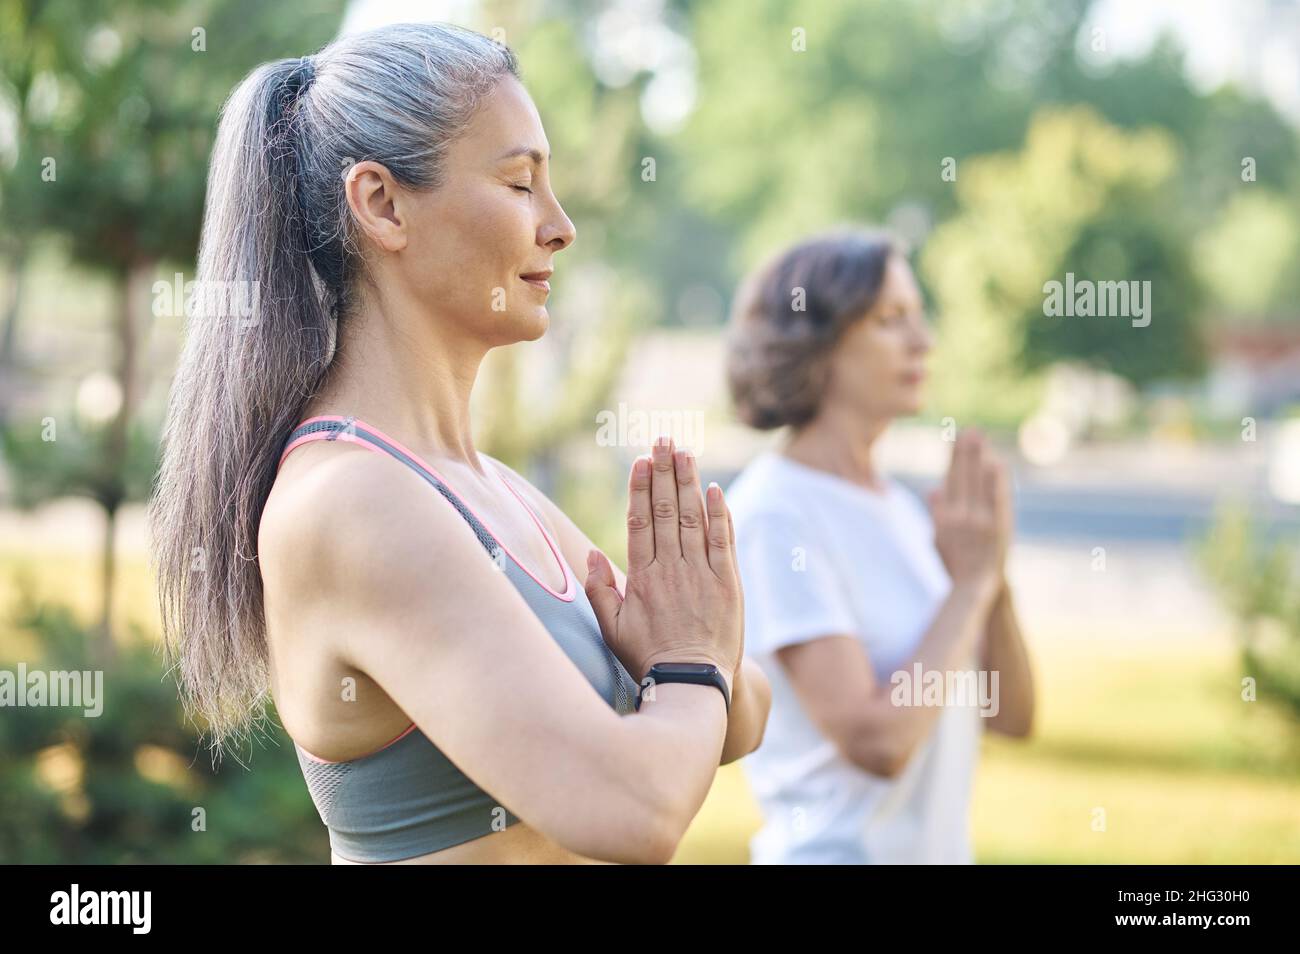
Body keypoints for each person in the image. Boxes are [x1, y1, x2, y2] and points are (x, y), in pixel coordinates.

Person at [149, 22, 769, 865]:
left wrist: (686, 664)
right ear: (382, 204)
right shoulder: (351, 502)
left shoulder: (498, 493)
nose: (560, 227)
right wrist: (690, 665)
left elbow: (747, 712)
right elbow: (634, 808)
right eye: (520, 184)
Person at [723, 228, 1035, 864]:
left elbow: (1012, 717)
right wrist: (969, 586)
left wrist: (991, 579)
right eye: (891, 319)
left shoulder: (901, 508)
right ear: (817, 343)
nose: (924, 342)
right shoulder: (777, 514)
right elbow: (877, 743)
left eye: (920, 318)